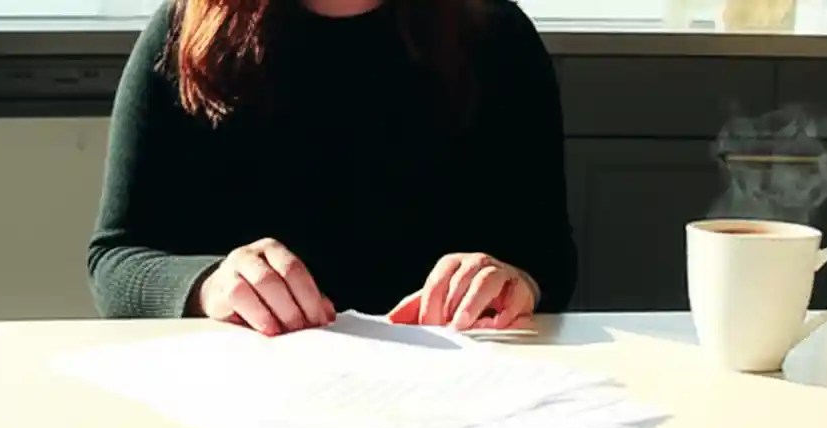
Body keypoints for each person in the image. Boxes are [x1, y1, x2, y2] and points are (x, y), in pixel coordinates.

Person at [88, 0, 577, 335]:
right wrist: (209, 284)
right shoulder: (190, 31)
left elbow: (550, 259)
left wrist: (514, 280)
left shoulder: (495, 34)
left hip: (455, 405)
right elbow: (116, 259)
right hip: (242, 402)